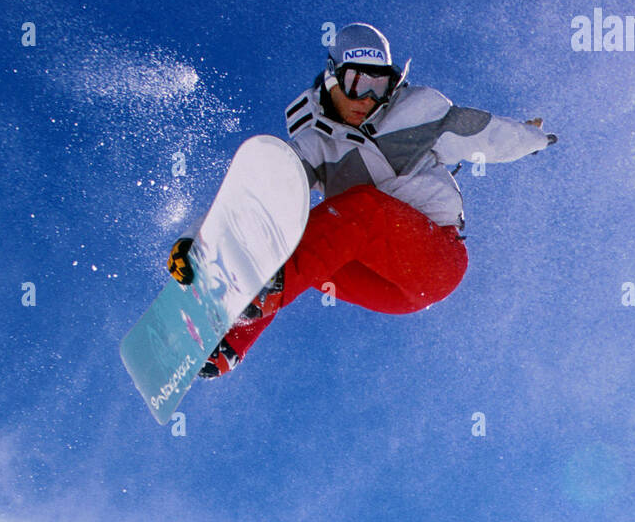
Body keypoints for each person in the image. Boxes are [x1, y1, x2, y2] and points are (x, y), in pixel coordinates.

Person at [167, 23, 556, 378]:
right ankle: (225, 347)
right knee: (287, 235)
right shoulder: (314, 144)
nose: (366, 98)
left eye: (378, 86)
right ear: (332, 79)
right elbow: (262, 195)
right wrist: (200, 240)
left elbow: (485, 135)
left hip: (433, 260)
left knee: (361, 206)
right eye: (356, 82)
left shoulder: (417, 113)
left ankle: (267, 289)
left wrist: (532, 137)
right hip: (380, 281)